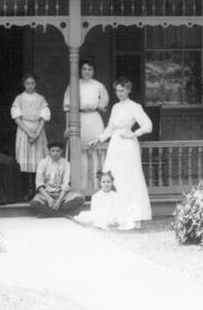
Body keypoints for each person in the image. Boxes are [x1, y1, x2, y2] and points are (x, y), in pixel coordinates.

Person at [91, 77, 153, 226]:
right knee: (115, 174)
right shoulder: (116, 107)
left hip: (128, 144)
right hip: (115, 144)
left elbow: (148, 125)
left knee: (129, 176)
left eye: (122, 90)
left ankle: (134, 212)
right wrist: (99, 139)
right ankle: (115, 212)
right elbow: (111, 128)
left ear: (129, 90)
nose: (119, 93)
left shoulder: (134, 106)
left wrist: (134, 133)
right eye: (117, 90)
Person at [63, 59, 109, 190]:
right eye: (84, 69)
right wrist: (68, 126)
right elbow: (67, 108)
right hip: (79, 119)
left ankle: (97, 185)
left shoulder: (99, 86)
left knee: (96, 149)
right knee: (79, 150)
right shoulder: (73, 85)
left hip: (94, 119)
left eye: (90, 69)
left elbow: (103, 104)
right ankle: (80, 185)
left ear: (94, 71)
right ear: (80, 70)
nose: (87, 72)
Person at [11, 74, 51, 199]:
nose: (30, 85)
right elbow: (17, 117)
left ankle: (35, 190)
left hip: (38, 130)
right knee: (24, 161)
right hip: (24, 131)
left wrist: (37, 133)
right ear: (24, 84)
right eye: (27, 83)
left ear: (36, 84)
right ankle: (24, 191)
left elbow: (44, 117)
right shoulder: (19, 98)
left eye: (32, 83)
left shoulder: (40, 98)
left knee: (37, 161)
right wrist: (29, 133)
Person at [30, 141, 83, 217]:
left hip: (61, 194)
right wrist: (48, 199)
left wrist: (58, 201)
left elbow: (65, 184)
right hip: (46, 194)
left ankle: (48, 213)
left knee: (80, 198)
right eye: (53, 151)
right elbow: (39, 184)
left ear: (62, 151)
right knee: (34, 203)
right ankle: (62, 214)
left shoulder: (65, 164)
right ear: (49, 151)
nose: (55, 153)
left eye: (58, 151)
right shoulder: (43, 163)